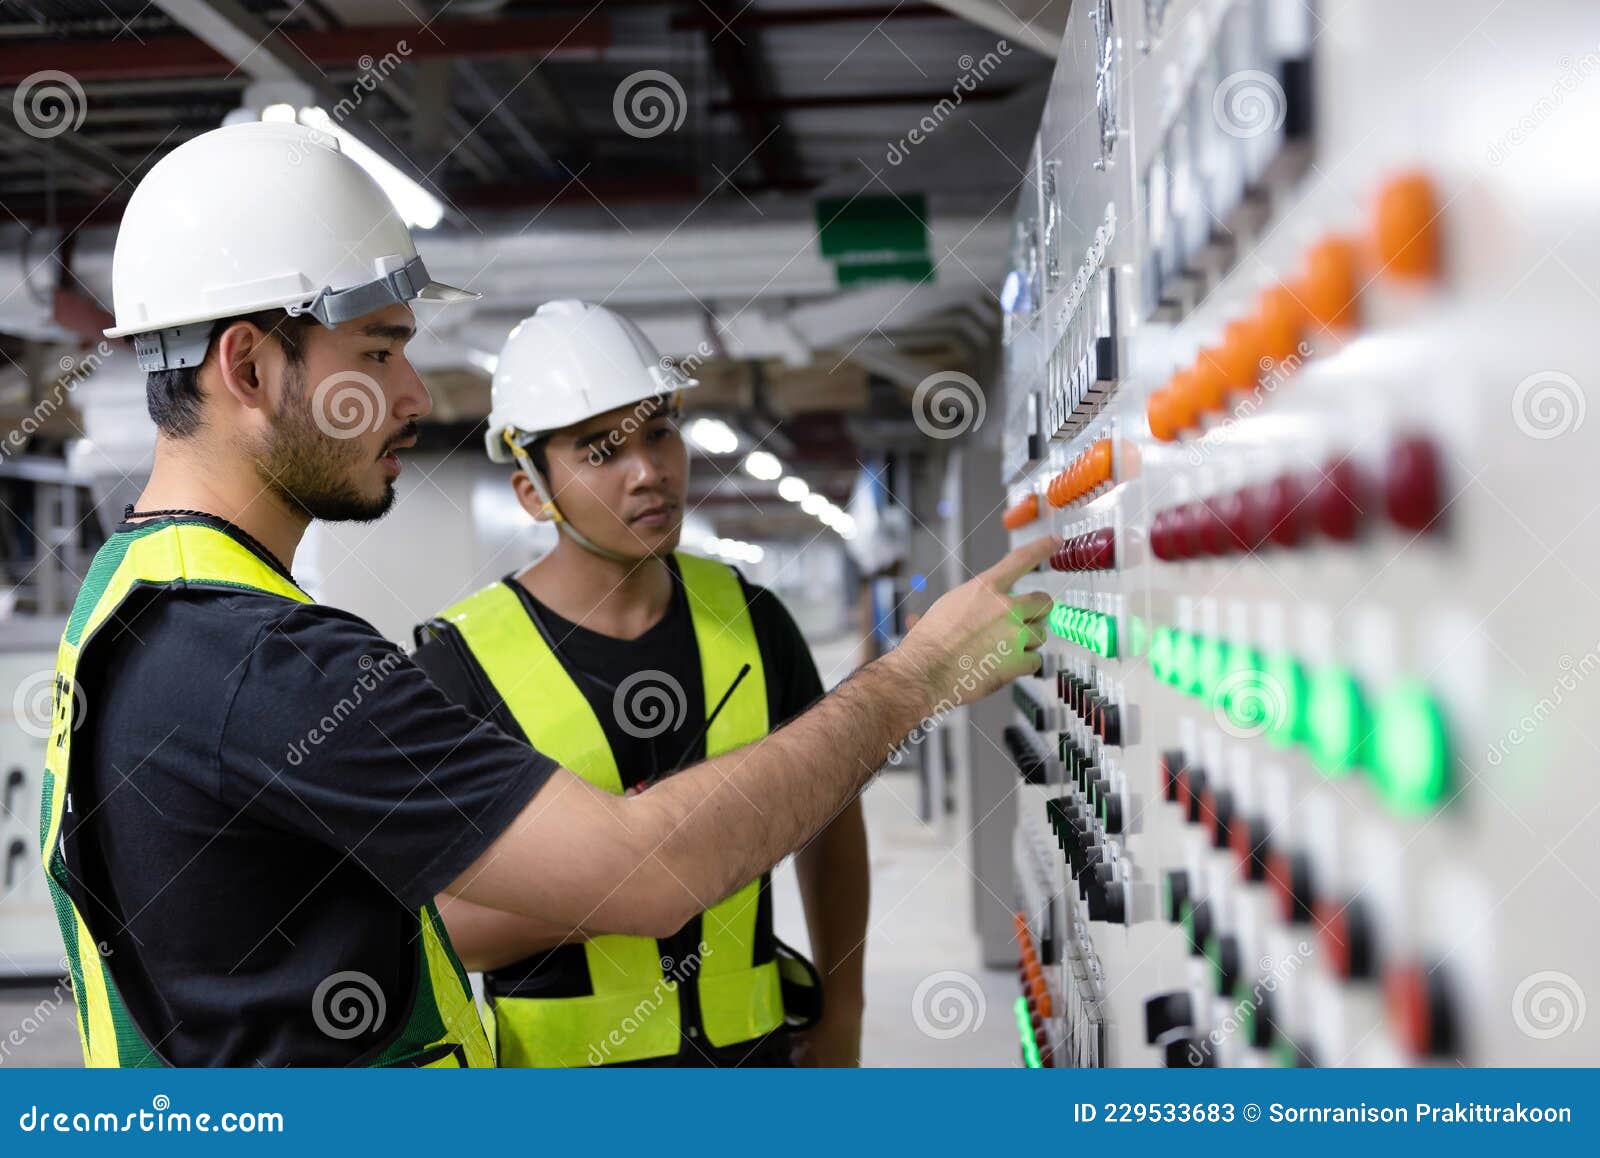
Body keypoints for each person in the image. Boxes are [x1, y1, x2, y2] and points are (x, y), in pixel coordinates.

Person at [39, 120, 1055, 1067]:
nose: (416, 397)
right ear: (251, 369)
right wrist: (918, 674)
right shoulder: (270, 666)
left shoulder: (130, 607)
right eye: (380, 353)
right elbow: (647, 873)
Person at [412, 301, 868, 1067]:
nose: (649, 471)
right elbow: (433, 927)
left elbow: (830, 820)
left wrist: (843, 1010)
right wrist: (624, 879)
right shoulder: (459, 666)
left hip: (754, 1064)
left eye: (659, 432)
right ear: (532, 490)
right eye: (600, 452)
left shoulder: (753, 622)